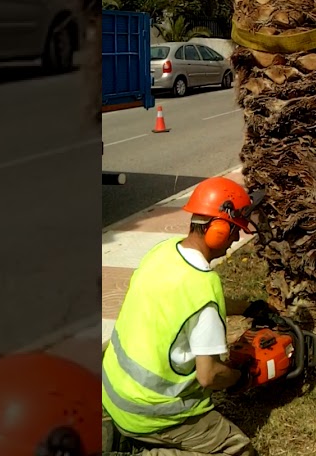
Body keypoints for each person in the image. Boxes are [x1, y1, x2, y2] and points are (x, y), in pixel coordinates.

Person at [102, 175, 273, 456]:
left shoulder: (164, 251)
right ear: (218, 230)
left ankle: (118, 437)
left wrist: (247, 307)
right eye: (235, 231)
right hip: (151, 412)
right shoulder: (203, 287)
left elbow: (184, 300)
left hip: (113, 392)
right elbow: (209, 376)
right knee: (239, 452)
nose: (235, 239)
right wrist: (241, 376)